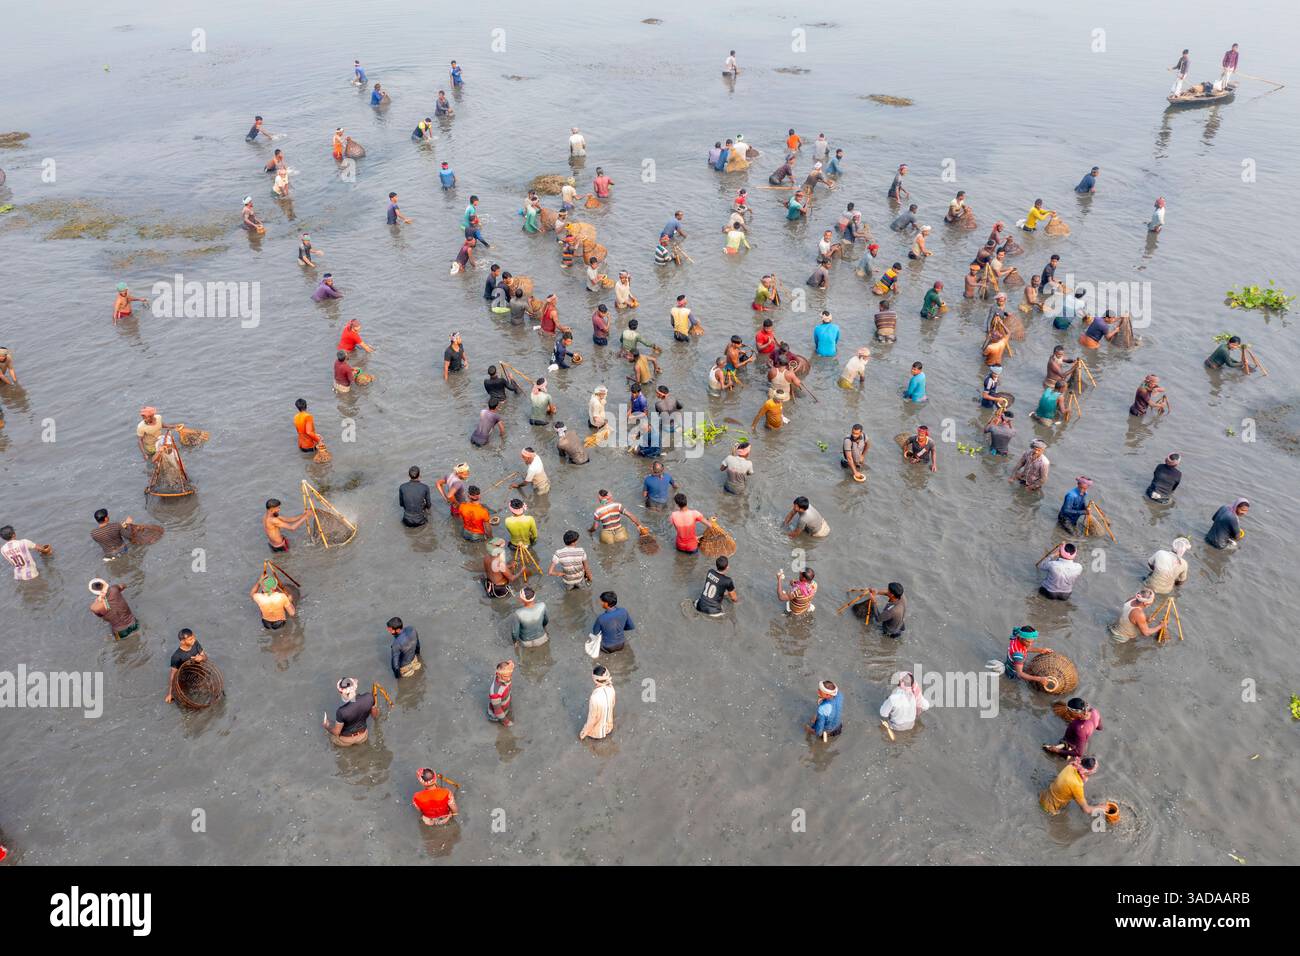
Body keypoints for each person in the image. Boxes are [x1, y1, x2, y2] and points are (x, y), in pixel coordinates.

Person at [1040, 756, 1104, 817]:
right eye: (1093, 773)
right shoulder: (1077, 785)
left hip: (1043, 796)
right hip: (1049, 809)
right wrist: (1101, 808)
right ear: (1089, 772)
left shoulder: (1071, 766)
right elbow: (1086, 810)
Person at [164, 628, 206, 703]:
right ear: (182, 642)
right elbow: (173, 675)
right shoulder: (176, 656)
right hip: (186, 678)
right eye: (190, 639)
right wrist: (170, 693)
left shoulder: (195, 643)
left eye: (193, 637)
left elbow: (204, 656)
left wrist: (201, 657)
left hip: (198, 672)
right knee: (188, 698)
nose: (193, 640)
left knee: (204, 691)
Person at [580, 667, 616, 741]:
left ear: (595, 680)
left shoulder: (594, 698)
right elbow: (612, 704)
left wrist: (584, 732)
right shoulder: (611, 688)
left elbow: (592, 719)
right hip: (609, 727)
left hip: (598, 733)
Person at [487, 662, 514, 727]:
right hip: (497, 714)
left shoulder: (503, 678)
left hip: (504, 704)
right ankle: (500, 721)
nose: (508, 678)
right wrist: (507, 722)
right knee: (498, 717)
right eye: (505, 676)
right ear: (498, 674)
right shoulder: (495, 694)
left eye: (510, 675)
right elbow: (498, 712)